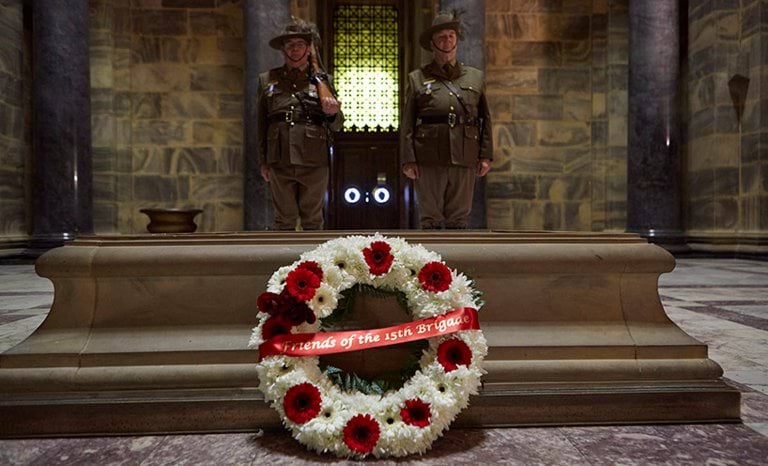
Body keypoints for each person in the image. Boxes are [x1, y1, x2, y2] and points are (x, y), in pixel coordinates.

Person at [400, 11, 493, 229]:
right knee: (430, 218)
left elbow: (486, 119)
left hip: (465, 154)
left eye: (451, 36)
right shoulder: (417, 78)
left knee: (459, 219)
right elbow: (407, 123)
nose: (447, 41)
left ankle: (456, 253)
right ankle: (431, 253)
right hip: (429, 156)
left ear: (457, 40)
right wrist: (408, 159)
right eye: (441, 37)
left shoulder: (475, 77)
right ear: (432, 44)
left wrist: (485, 155)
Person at [258, 19, 343, 230]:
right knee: (283, 220)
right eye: (290, 45)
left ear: (309, 49)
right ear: (283, 49)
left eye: (300, 44)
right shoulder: (267, 80)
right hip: (279, 157)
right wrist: (264, 160)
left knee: (312, 220)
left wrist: (332, 113)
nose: (295, 49)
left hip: (313, 157)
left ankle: (313, 254)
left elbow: (337, 125)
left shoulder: (323, 80)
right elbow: (261, 123)